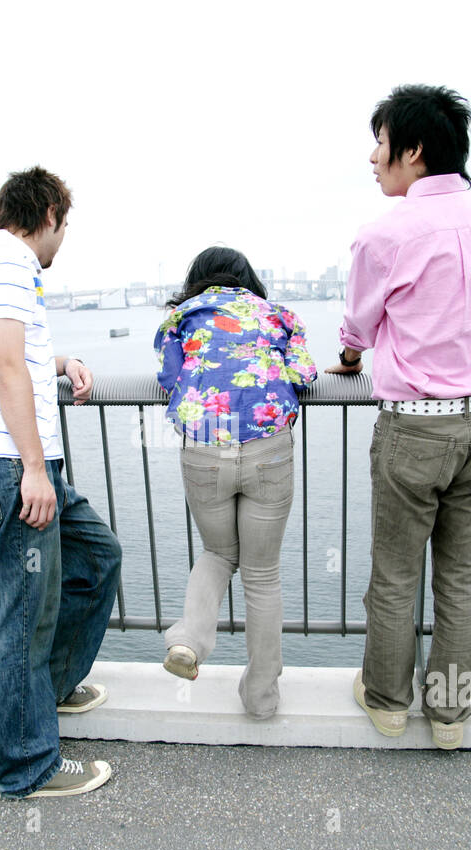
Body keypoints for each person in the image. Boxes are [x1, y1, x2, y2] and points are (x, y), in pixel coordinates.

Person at [327, 84, 471, 749]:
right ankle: (448, 716)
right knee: (460, 576)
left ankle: (388, 702)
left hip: (414, 424)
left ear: (412, 150)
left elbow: (358, 323)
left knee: (395, 574)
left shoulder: (387, 232)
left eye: (380, 144)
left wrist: (351, 357)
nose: (372, 158)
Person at [0, 167, 122, 799]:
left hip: (26, 462)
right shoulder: (5, 259)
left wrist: (64, 362)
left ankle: (45, 694)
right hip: (10, 464)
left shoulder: (5, 268)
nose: (63, 240)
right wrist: (30, 467)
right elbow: (3, 365)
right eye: (65, 225)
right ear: (48, 213)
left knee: (98, 554)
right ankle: (26, 765)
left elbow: (17, 354)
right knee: (18, 616)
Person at [154, 247, 317, 718]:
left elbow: (169, 378)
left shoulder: (180, 317)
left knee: (219, 553)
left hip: (204, 448)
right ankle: (262, 699)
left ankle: (188, 640)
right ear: (249, 278)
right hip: (268, 444)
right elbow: (302, 374)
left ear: (196, 279)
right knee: (262, 575)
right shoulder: (279, 315)